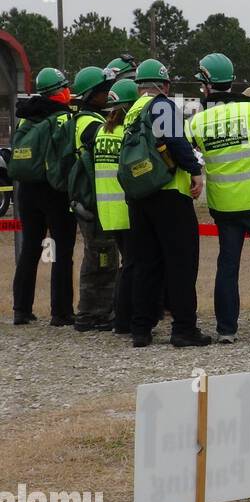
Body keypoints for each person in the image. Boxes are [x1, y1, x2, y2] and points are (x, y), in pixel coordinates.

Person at [185, 53, 250, 345]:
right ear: (231, 80)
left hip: (227, 206)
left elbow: (184, 153)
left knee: (227, 265)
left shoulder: (197, 121)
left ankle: (226, 329)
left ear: (206, 85)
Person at [122, 58, 210, 348]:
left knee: (147, 263)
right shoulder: (162, 105)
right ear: (165, 85)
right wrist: (195, 172)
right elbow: (176, 140)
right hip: (169, 193)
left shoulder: (131, 112)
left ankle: (141, 329)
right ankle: (184, 328)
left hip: (139, 196)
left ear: (138, 87)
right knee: (181, 262)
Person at [11, 67, 77, 326]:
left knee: (30, 248)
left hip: (26, 189)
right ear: (59, 91)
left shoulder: (25, 117)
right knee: (61, 250)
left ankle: (21, 309)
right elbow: (67, 154)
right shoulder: (62, 118)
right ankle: (61, 312)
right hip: (54, 189)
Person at [68, 66, 117, 332]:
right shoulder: (89, 123)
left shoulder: (87, 118)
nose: (108, 95)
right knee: (100, 256)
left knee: (101, 255)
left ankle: (97, 312)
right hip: (91, 201)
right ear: (91, 95)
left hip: (88, 199)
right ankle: (90, 313)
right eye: (103, 92)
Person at [95, 79, 137, 335]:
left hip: (107, 211)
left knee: (126, 263)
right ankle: (124, 320)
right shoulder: (126, 133)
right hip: (125, 207)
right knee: (132, 265)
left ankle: (119, 317)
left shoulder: (103, 132)